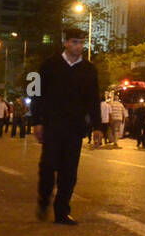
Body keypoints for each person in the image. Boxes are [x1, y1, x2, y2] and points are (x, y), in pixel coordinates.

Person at [31, 27, 102, 225]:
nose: (78, 46)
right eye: (74, 42)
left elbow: (93, 100)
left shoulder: (89, 70)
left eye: (81, 43)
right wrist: (36, 121)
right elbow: (35, 93)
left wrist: (97, 127)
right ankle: (44, 200)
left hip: (75, 128)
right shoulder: (48, 65)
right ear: (65, 42)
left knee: (69, 172)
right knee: (47, 167)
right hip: (52, 125)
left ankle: (62, 211)